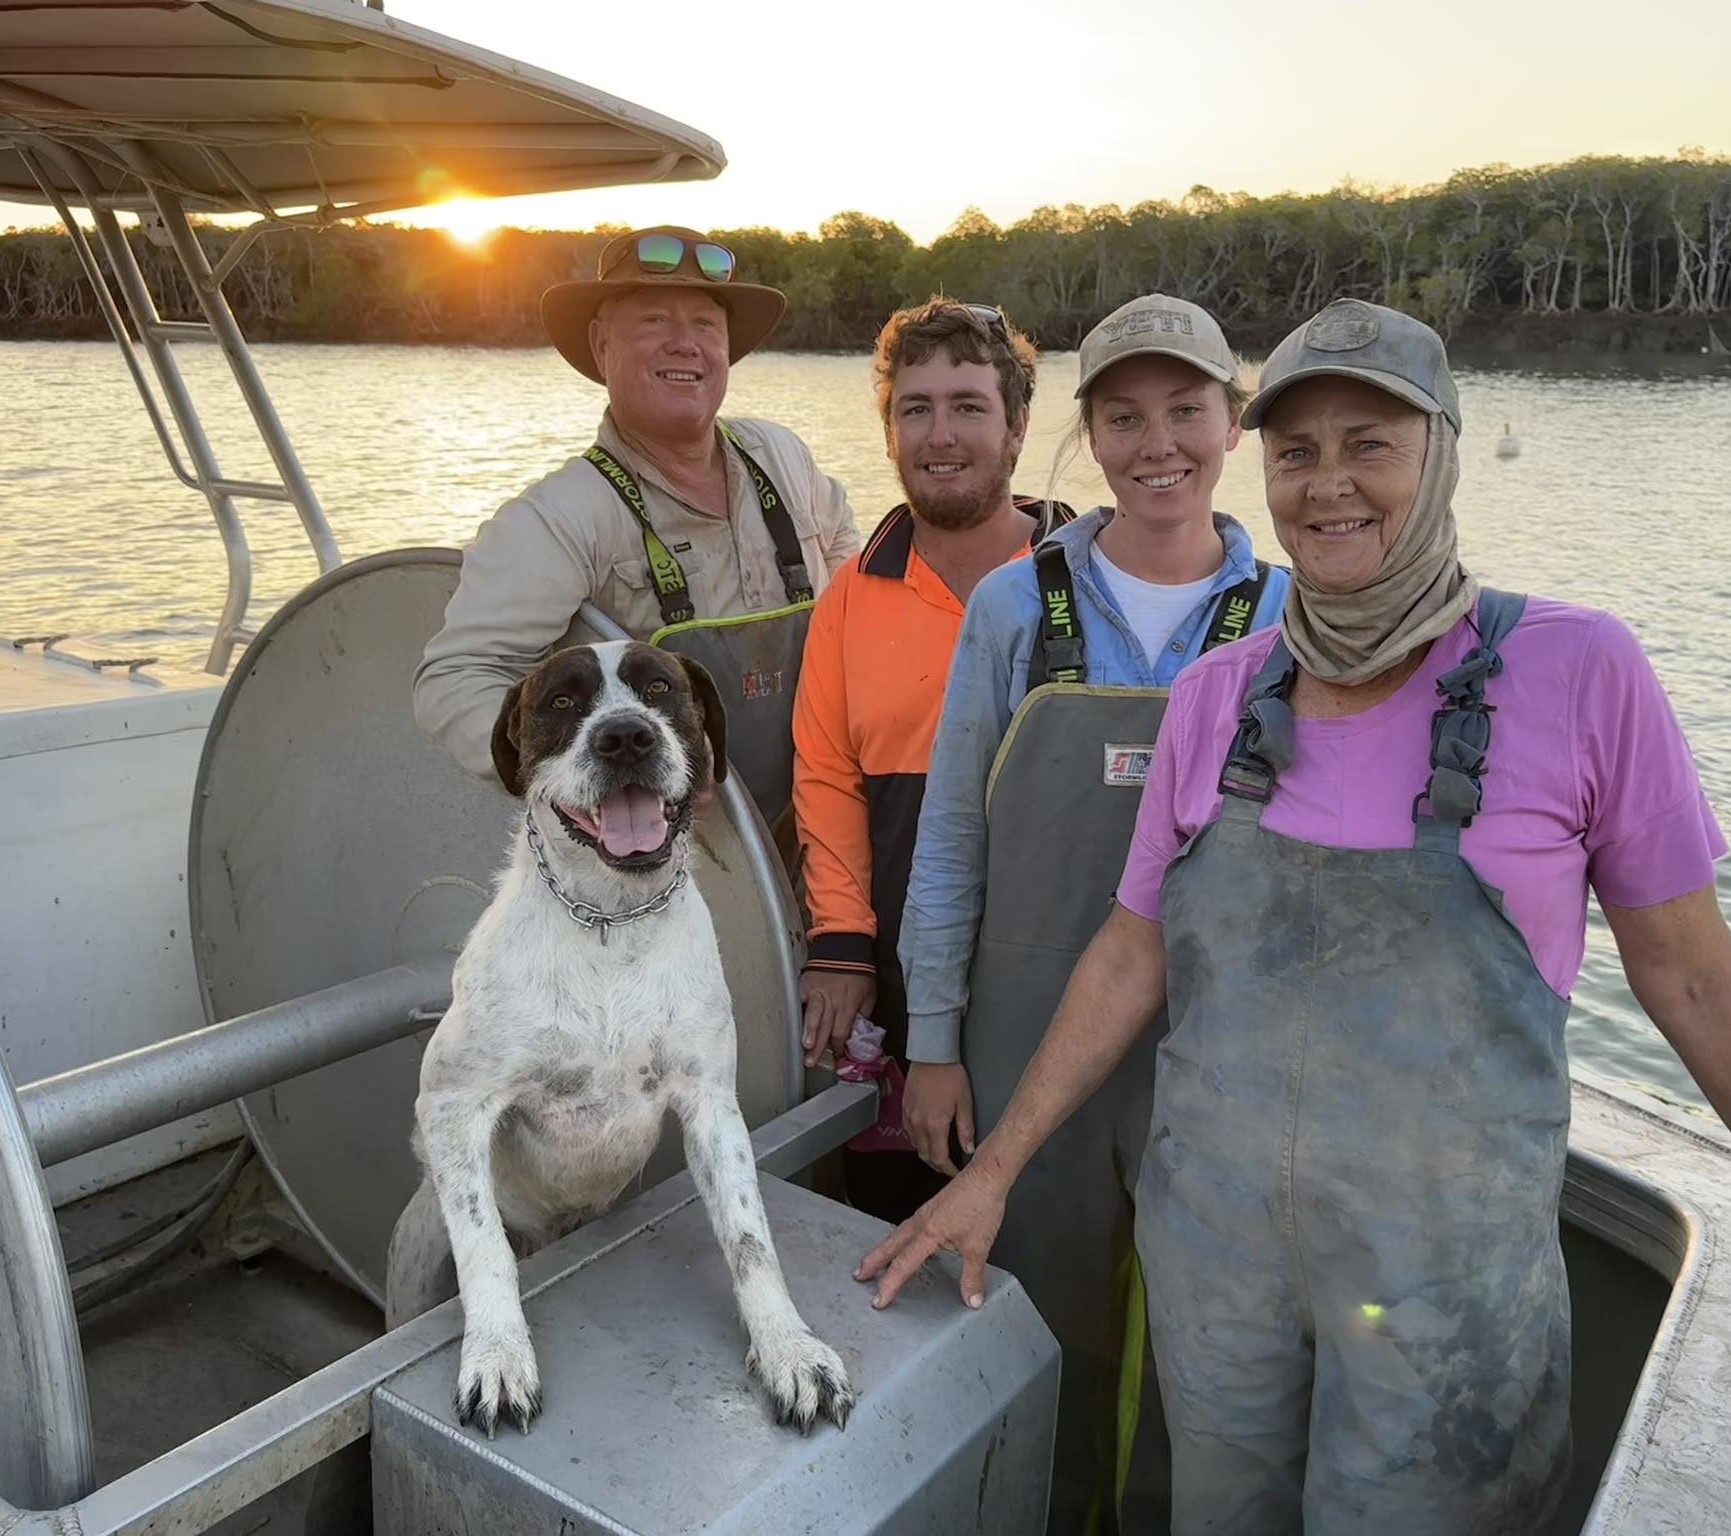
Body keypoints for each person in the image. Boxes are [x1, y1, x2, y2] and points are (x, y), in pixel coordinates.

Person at [860, 298, 1731, 1534]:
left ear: (1444, 452)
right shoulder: (1217, 693)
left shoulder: (1579, 671)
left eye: (1370, 444)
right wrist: (992, 1171)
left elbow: (1688, 976)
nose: (1327, 486)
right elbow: (1128, 950)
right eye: (1296, 451)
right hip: (1218, 1292)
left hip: (1443, 1307)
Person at [896, 294, 1291, 1531]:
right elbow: (952, 835)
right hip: (1026, 1048)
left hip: (1216, 1054)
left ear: (1232, 423)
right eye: (1122, 417)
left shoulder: (1292, 619)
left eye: (1185, 410)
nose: (1155, 442)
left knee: (1207, 1354)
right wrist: (932, 1042)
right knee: (1028, 1330)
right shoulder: (1016, 608)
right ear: (1087, 434)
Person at [413, 226, 860, 836]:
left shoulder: (780, 455)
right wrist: (574, 771)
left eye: (706, 325)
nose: (686, 345)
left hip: (822, 814)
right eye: (653, 321)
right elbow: (453, 677)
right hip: (661, 847)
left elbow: (844, 550)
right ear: (601, 346)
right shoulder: (560, 516)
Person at [792, 298, 1068, 1223]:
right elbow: (826, 775)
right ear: (888, 431)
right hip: (907, 971)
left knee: (1052, 1214)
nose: (940, 434)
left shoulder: (1094, 570)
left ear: (1019, 425)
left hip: (1065, 964)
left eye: (968, 405)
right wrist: (840, 946)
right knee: (900, 1214)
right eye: (916, 408)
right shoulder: (852, 594)